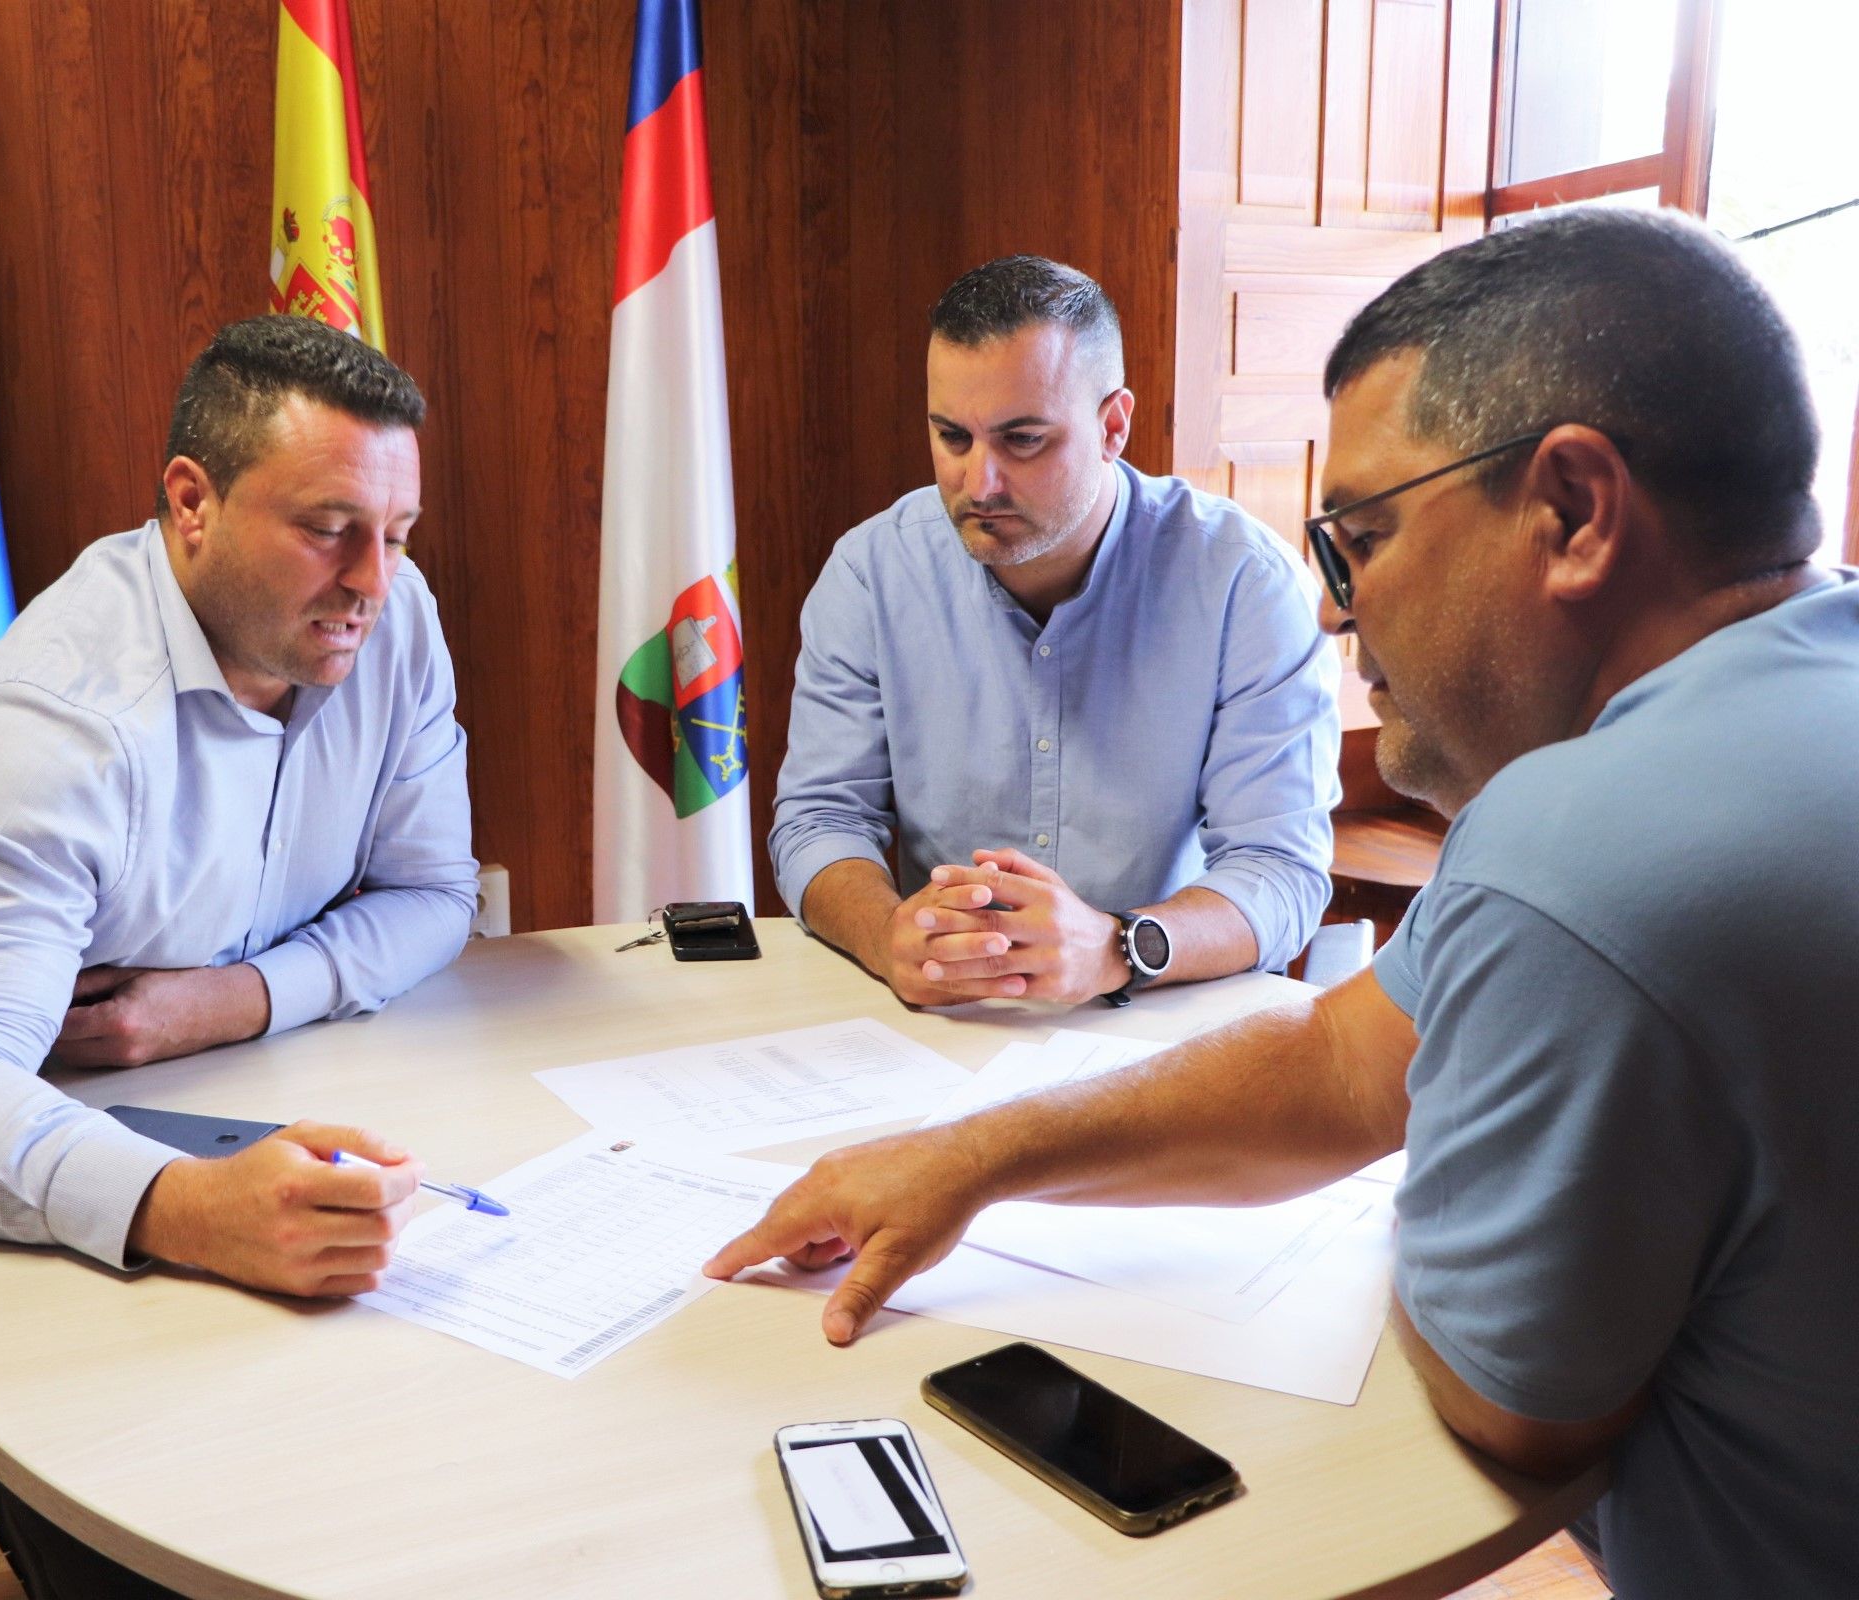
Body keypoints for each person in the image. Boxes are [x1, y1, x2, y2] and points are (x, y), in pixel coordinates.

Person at [708, 209, 1859, 1598]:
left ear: (1570, 510)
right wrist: (974, 1157)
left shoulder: (1579, 847)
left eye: (1365, 532)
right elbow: (1342, 1060)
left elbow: (1515, 1398)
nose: (1341, 607)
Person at [0, 315, 476, 1594]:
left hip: (250, 1083)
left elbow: (434, 892)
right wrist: (181, 1207)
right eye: (329, 527)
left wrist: (228, 1001)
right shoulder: (58, 715)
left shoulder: (391, 620)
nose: (375, 579)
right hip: (35, 1160)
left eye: (399, 533)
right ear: (190, 501)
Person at [771, 256, 1337, 1012]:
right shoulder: (873, 571)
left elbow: (1282, 870)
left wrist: (1116, 946)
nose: (980, 483)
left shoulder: (1243, 583)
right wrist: (886, 936)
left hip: (1160, 1009)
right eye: (952, 437)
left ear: (1113, 426)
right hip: (947, 1018)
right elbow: (819, 819)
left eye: (1023, 439)